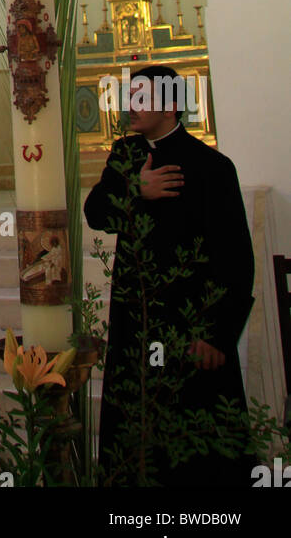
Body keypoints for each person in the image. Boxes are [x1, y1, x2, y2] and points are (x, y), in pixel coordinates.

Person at [84, 63, 255, 487]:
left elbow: (235, 258)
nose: (130, 106)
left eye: (141, 97)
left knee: (198, 450)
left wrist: (217, 333)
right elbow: (95, 213)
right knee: (138, 439)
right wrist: (135, 192)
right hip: (138, 324)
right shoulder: (125, 156)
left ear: (172, 105)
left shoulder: (213, 167)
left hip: (191, 328)